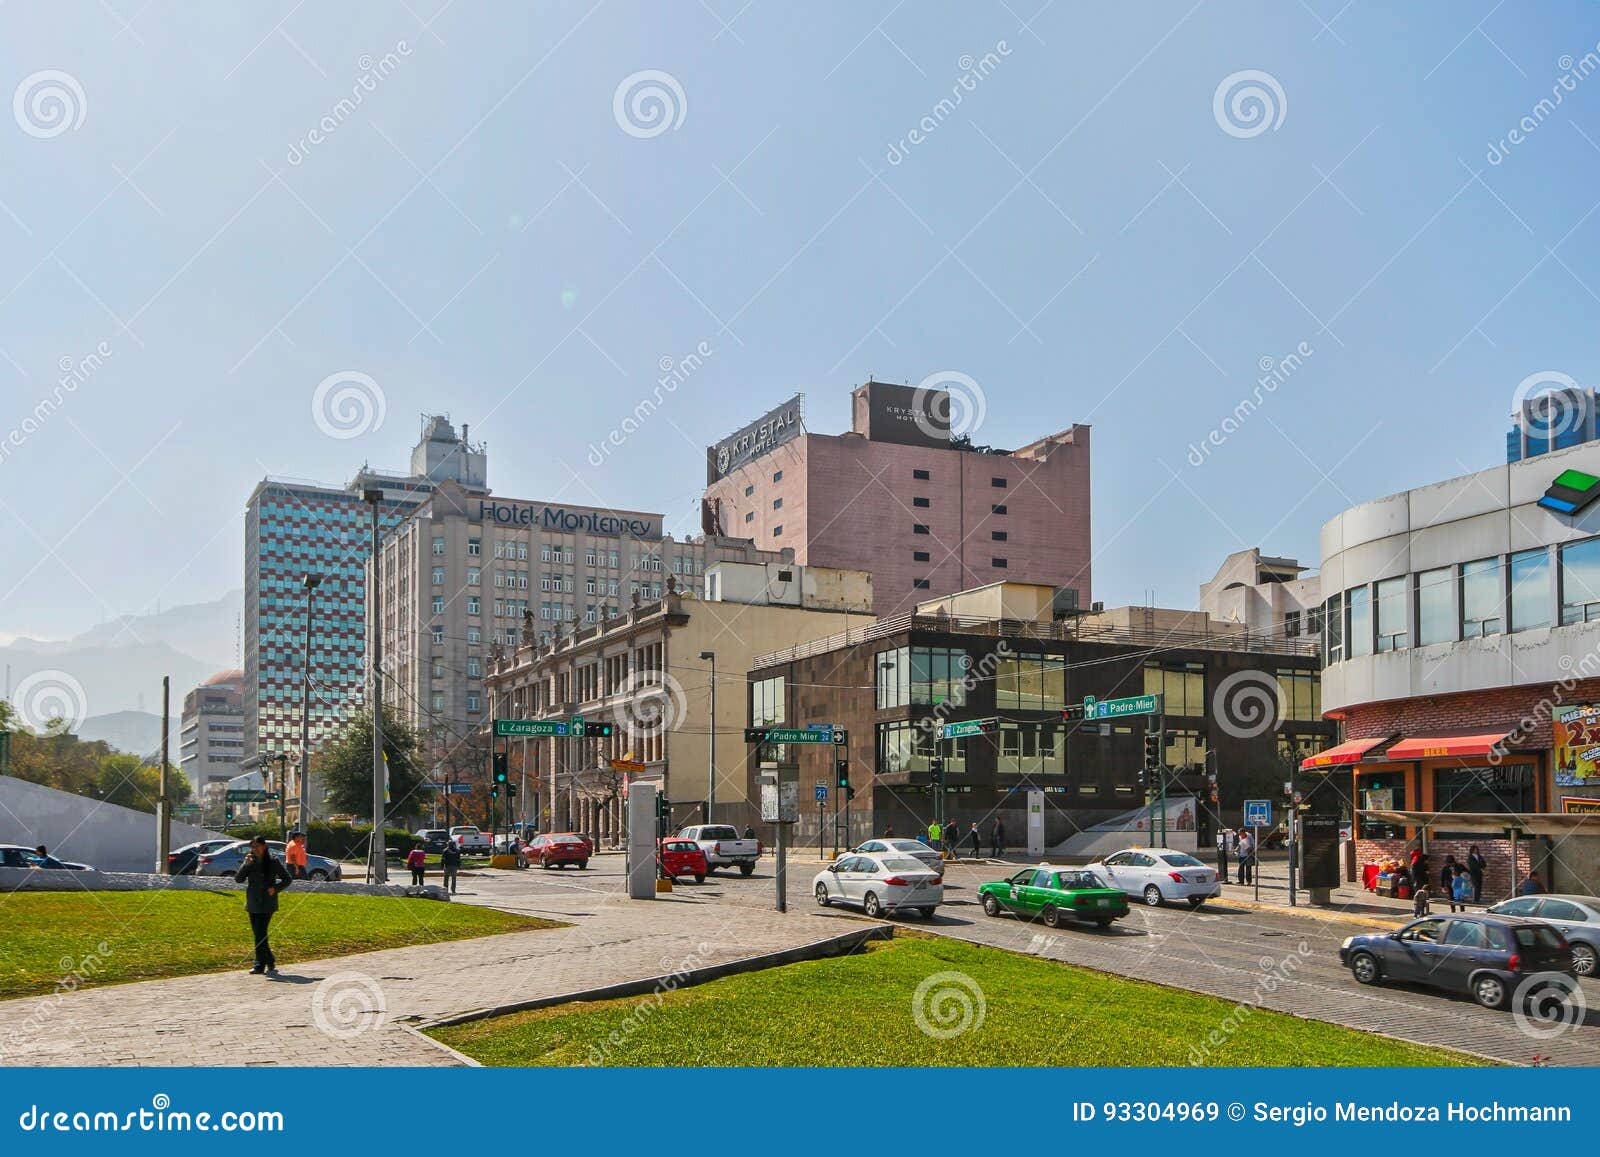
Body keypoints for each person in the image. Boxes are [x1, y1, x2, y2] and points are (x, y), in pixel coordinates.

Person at [234, 836, 291, 974]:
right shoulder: (250, 862)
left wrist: (275, 888)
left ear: (264, 847)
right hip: (253, 902)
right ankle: (269, 959)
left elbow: (287, 879)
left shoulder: (273, 862)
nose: (255, 849)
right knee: (259, 934)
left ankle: (259, 964)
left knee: (260, 933)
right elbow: (238, 879)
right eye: (252, 847)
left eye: (257, 846)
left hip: (267, 902)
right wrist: (245, 865)